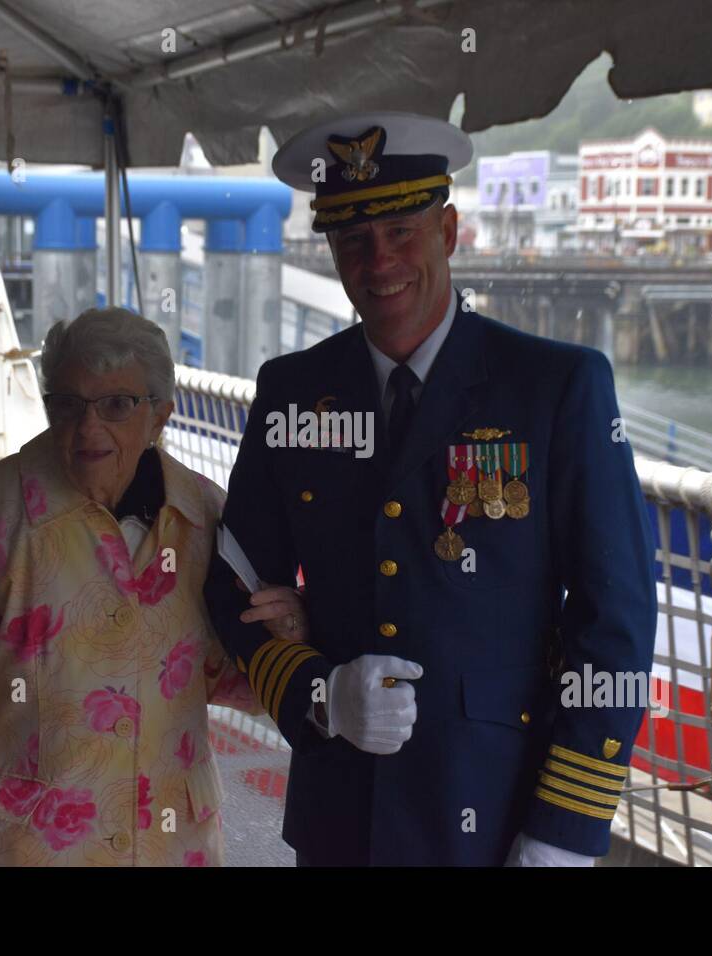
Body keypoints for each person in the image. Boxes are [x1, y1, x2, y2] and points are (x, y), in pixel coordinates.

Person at [204, 112, 657, 866]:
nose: (379, 261)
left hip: (498, 807)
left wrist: (563, 831)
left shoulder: (554, 388)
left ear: (447, 231)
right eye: (353, 240)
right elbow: (234, 578)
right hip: (341, 813)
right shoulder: (294, 393)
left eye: (401, 231)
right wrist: (320, 693)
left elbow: (615, 619)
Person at [0, 307, 302, 866]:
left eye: (116, 405)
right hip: (30, 846)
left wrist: (286, 635)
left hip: (170, 843)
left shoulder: (205, 516)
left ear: (160, 415)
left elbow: (228, 683)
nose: (89, 428)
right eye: (68, 404)